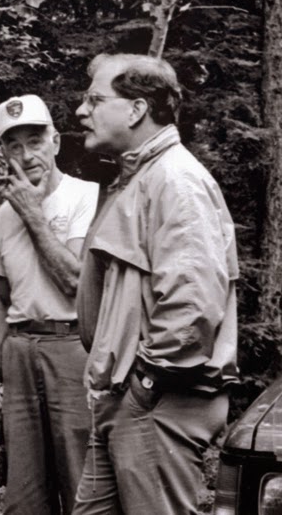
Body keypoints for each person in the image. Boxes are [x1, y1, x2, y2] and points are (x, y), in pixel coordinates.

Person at [71, 54, 238, 515]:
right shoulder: (137, 177)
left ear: (137, 109)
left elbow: (192, 300)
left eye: (95, 99)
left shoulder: (175, 180)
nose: (82, 111)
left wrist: (146, 381)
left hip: (154, 398)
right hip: (123, 397)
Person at [0, 95, 98, 515]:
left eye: (36, 140)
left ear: (56, 142)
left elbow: (76, 281)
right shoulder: (4, 215)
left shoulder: (87, 197)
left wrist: (33, 215)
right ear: (4, 152)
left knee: (82, 481)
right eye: (14, 145)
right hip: (19, 354)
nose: (27, 154)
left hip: (72, 347)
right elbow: (1, 301)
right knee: (23, 495)